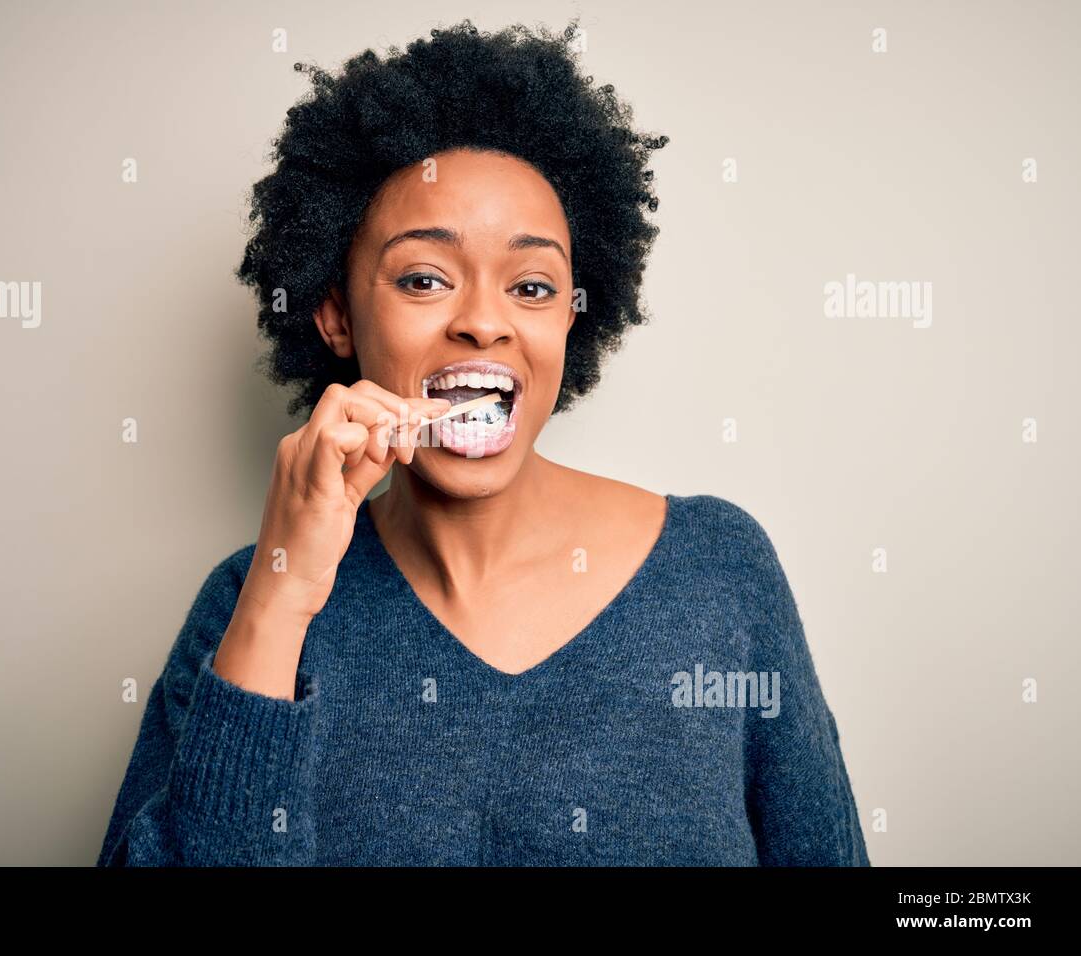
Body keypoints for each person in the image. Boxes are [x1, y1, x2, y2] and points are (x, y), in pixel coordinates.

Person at [96, 18, 870, 866]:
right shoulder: (245, 604)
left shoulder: (720, 572)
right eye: (424, 278)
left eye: (531, 286)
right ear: (335, 316)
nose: (482, 323)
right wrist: (283, 597)